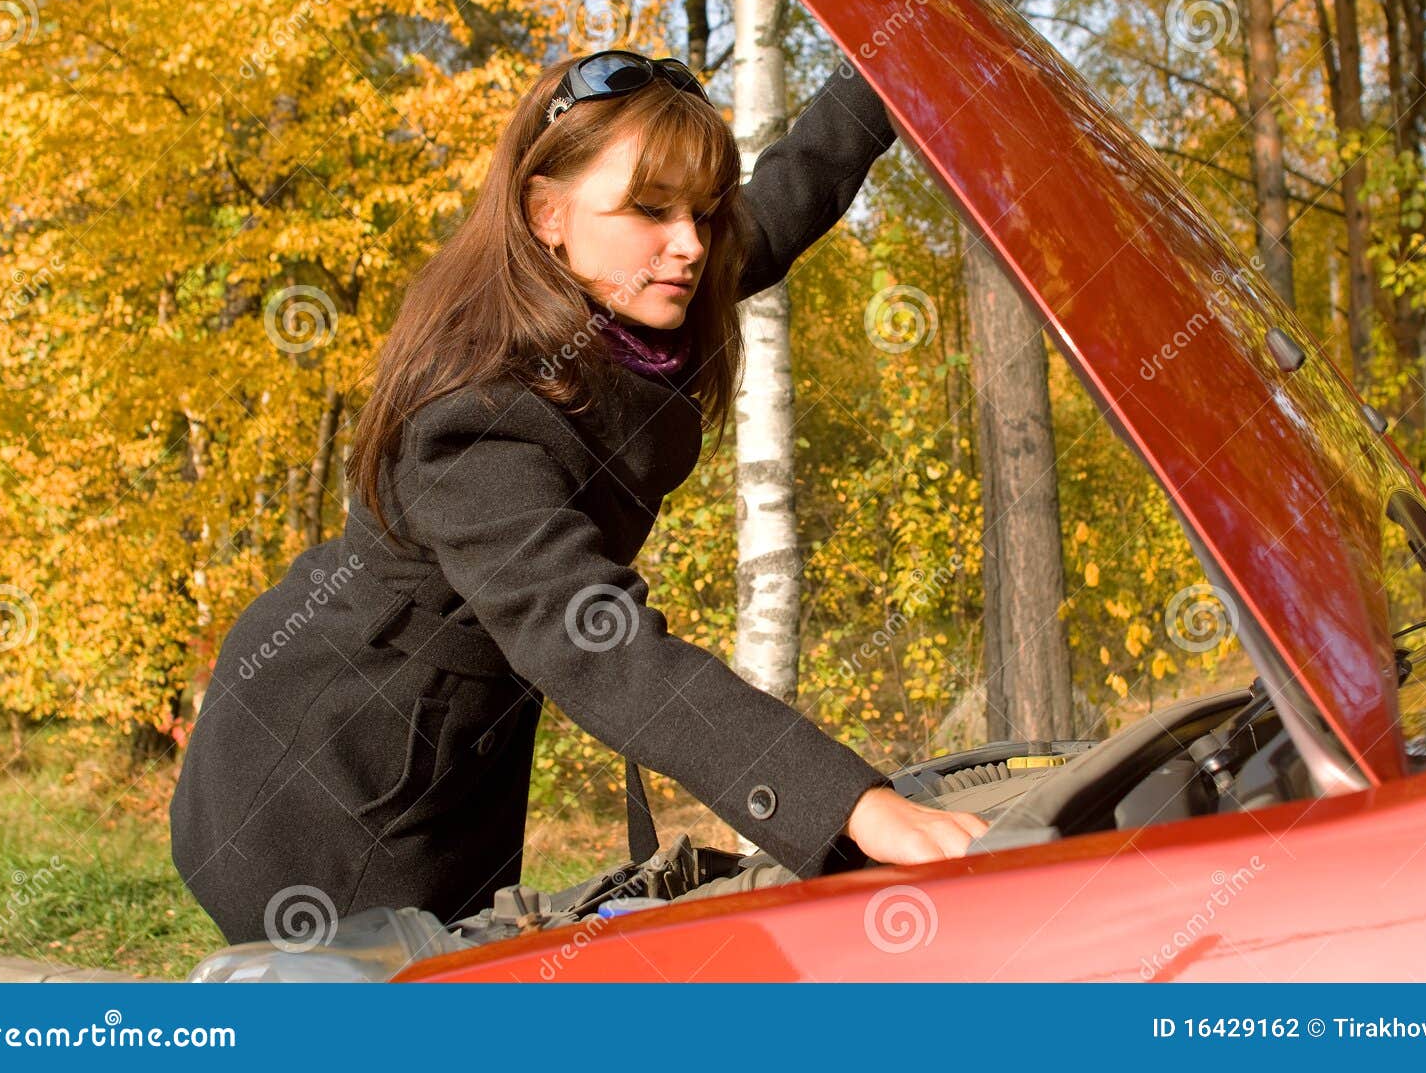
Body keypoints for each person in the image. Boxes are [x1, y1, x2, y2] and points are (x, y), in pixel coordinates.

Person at [170, 50, 987, 946]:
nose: (691, 242)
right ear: (547, 213)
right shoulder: (474, 413)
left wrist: (893, 61)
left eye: (702, 208)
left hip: (453, 752)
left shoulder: (633, 294)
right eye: (648, 209)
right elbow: (601, 644)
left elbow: (785, 201)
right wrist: (850, 805)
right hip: (333, 783)